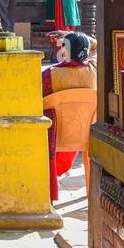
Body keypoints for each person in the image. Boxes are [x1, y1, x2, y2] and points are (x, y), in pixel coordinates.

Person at [41, 31, 97, 201]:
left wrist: (69, 36)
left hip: (54, 137)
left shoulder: (49, 74)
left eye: (63, 45)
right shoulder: (95, 69)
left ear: (66, 50)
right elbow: (95, 46)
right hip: (83, 135)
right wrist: (75, 36)